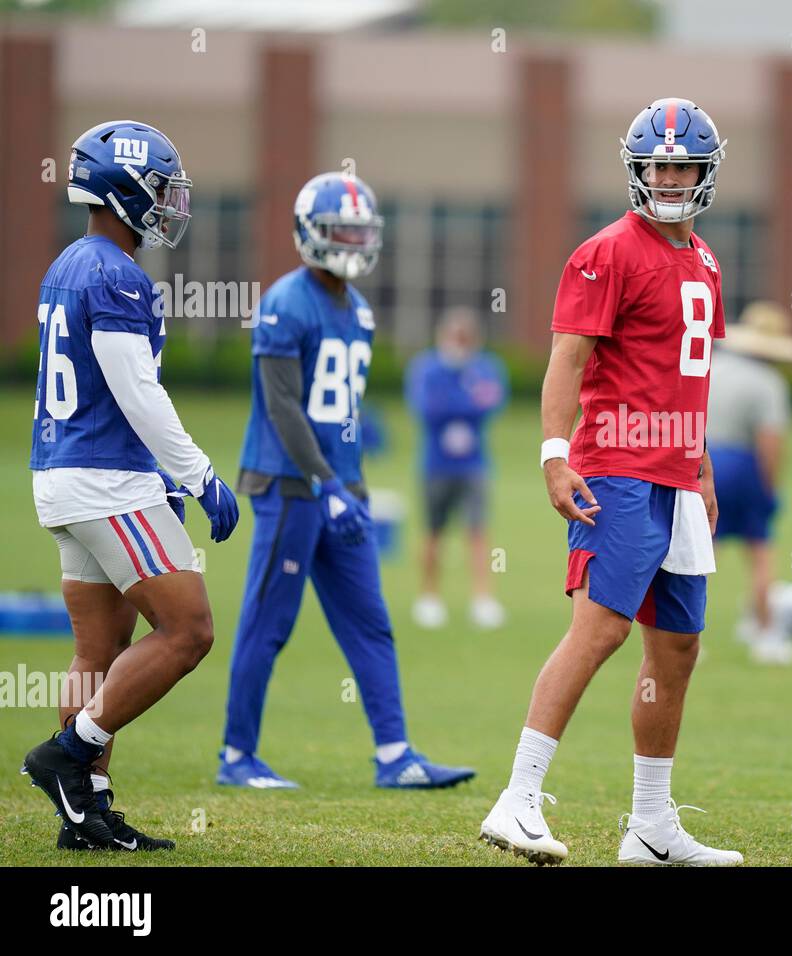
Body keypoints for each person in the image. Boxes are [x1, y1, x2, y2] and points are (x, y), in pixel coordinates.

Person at [478, 98, 741, 865]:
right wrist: (555, 455)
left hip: (675, 474)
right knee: (601, 627)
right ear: (636, 169)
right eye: (657, 165)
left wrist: (702, 465)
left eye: (681, 165)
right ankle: (518, 797)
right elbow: (568, 360)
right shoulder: (607, 251)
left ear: (704, 172)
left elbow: (688, 375)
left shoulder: (706, 259)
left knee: (679, 648)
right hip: (617, 465)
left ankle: (650, 826)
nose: (668, 177)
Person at [217, 171, 474, 791]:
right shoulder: (285, 301)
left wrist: (349, 482)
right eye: (343, 230)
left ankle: (395, 755)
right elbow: (284, 407)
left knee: (371, 623)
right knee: (268, 622)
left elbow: (342, 409)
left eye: (362, 230)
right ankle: (236, 755)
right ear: (310, 233)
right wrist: (325, 482)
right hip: (289, 486)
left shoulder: (357, 310)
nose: (355, 241)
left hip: (339, 489)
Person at [22, 120, 239, 851]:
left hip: (61, 475)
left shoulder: (71, 264)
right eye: (161, 190)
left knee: (98, 649)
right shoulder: (115, 272)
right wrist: (198, 475)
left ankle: (86, 810)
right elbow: (137, 392)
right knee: (189, 630)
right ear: (124, 188)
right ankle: (69, 754)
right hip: (106, 478)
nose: (171, 205)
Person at [707, 301, 792, 665]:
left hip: (703, 465)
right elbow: (770, 443)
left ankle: (684, 633)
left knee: (701, 555)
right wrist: (770, 488)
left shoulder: (712, 368)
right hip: (742, 466)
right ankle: (766, 633)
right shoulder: (769, 384)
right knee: (761, 553)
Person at [406, 307, 509, 631]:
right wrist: (465, 401)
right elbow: (427, 408)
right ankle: (429, 597)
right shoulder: (427, 368)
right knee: (434, 531)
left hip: (474, 465)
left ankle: (482, 598)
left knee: (477, 531)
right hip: (436, 464)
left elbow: (491, 401)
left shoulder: (486, 367)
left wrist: (459, 403)